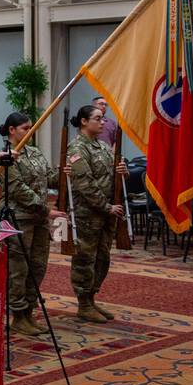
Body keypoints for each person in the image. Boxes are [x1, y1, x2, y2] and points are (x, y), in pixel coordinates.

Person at [0, 112, 62, 337]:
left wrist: (63, 173)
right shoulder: (6, 155)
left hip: (38, 220)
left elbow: (48, 179)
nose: (30, 131)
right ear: (12, 130)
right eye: (25, 128)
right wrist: (45, 209)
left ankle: (29, 311)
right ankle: (17, 314)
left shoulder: (34, 152)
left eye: (31, 127)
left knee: (37, 266)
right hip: (19, 218)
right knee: (19, 268)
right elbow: (16, 188)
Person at [64, 105, 127, 323]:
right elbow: (85, 184)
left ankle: (91, 298)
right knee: (85, 258)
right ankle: (83, 303)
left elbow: (112, 177)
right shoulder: (77, 149)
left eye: (103, 119)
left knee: (102, 257)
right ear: (84, 121)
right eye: (98, 118)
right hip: (88, 213)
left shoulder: (102, 146)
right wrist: (106, 206)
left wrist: (122, 172)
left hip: (107, 213)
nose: (102, 122)